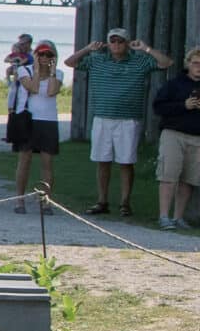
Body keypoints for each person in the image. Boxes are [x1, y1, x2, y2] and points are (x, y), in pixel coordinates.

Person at [66, 28, 172, 215]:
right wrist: (88, 49)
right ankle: (102, 201)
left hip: (128, 119)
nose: (116, 44)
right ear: (108, 43)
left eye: (120, 41)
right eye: (113, 41)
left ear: (127, 43)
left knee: (126, 162)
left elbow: (166, 63)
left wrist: (146, 48)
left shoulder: (140, 61)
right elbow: (70, 62)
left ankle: (125, 203)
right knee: (102, 161)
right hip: (102, 117)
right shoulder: (97, 60)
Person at [150, 48, 200, 230]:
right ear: (188, 64)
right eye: (195, 63)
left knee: (189, 179)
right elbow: (158, 107)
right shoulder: (174, 84)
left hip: (197, 138)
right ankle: (164, 216)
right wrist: (183, 105)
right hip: (174, 134)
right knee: (168, 175)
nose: (198, 68)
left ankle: (178, 217)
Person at [11, 41, 64, 212]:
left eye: (49, 54)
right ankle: (19, 200)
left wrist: (52, 70)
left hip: (48, 121)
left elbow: (51, 91)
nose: (44, 57)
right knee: (24, 159)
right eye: (41, 54)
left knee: (47, 162)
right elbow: (33, 88)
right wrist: (35, 68)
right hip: (28, 120)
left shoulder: (58, 74)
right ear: (35, 55)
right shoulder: (23, 70)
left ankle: (45, 200)